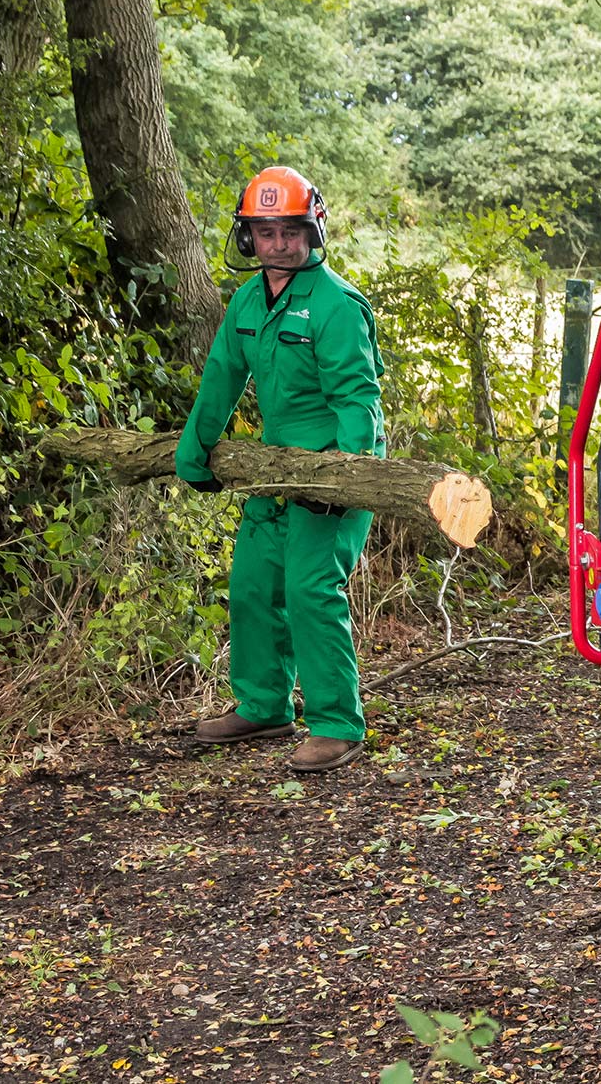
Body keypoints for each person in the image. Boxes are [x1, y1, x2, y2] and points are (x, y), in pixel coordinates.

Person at [176, 165, 385, 773]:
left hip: (331, 470)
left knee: (309, 589)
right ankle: (264, 705)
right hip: (273, 468)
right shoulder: (247, 300)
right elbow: (221, 376)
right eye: (265, 232)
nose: (278, 244)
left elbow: (357, 401)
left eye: (289, 230)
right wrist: (195, 449)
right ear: (248, 237)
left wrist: (344, 481)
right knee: (252, 584)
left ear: (312, 229)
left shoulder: (336, 306)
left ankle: (337, 724)